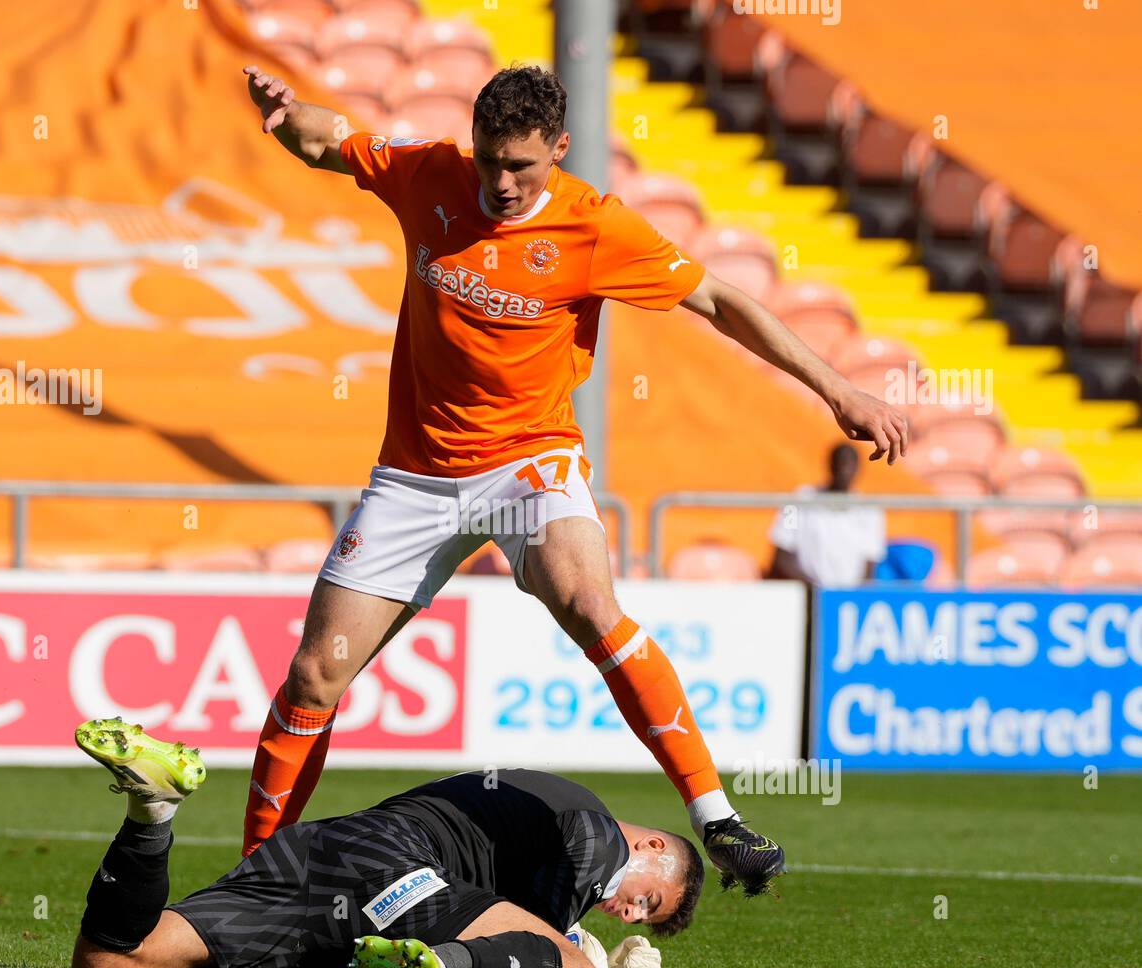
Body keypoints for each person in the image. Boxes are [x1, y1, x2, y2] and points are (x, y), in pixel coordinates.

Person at [234, 63, 909, 893]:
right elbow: (330, 141)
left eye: (521, 165)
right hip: (414, 474)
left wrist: (838, 388)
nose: (501, 183)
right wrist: (289, 113)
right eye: (489, 160)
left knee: (590, 603)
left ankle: (716, 815)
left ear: (559, 147)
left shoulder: (598, 228)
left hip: (530, 461)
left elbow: (725, 302)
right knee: (314, 673)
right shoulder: (429, 173)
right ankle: (256, 878)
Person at [69, 719, 696, 968]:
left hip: (318, 851)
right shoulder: (596, 830)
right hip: (394, 870)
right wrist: (585, 955)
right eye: (648, 899)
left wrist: (571, 933)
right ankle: (440, 964)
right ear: (652, 846)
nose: (630, 911)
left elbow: (518, 903)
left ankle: (151, 815)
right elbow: (583, 860)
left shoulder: (540, 818)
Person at [767, 443, 888, 587]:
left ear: (858, 469)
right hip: (807, 597)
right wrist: (815, 590)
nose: (844, 471)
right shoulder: (796, 501)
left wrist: (848, 597)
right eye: (841, 463)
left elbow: (870, 566)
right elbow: (781, 556)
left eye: (849, 465)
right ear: (830, 465)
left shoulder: (870, 512)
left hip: (845, 602)